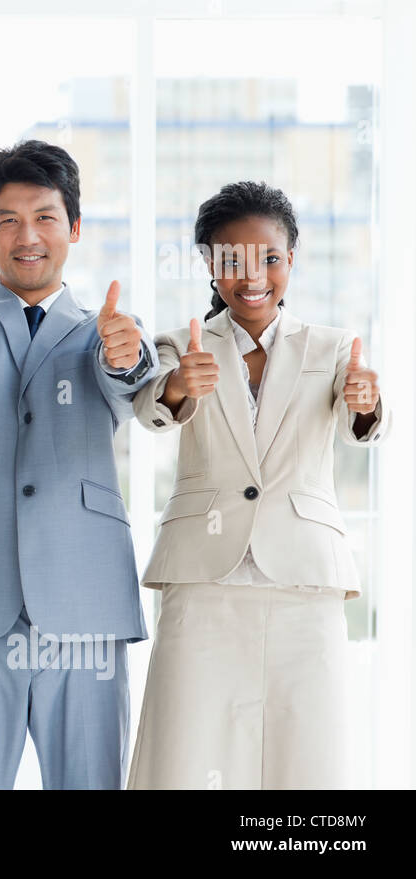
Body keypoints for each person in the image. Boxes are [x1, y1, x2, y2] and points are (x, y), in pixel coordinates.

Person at [0, 140, 158, 789]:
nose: (27, 235)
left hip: (85, 603)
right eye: (8, 219)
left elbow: (135, 377)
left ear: (73, 226)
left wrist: (129, 357)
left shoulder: (112, 330)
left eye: (44, 216)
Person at [127, 182, 387, 790]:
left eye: (269, 258)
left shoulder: (331, 347)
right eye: (231, 260)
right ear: (209, 266)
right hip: (204, 579)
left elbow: (365, 422)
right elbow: (150, 408)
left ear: (291, 259)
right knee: (187, 749)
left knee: (307, 752)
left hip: (305, 582)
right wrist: (177, 387)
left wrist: (367, 403)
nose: (253, 276)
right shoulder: (181, 345)